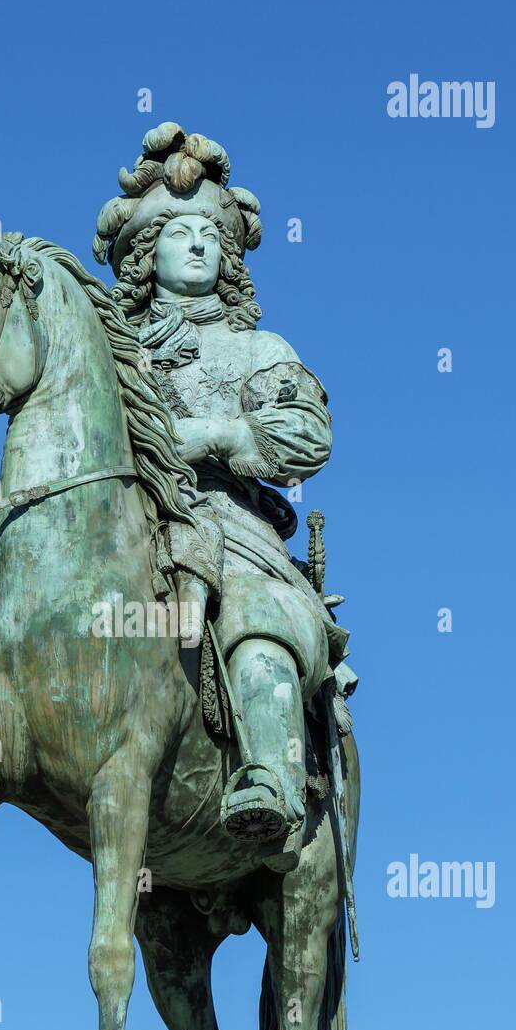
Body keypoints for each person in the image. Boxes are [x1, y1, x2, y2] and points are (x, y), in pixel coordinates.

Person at [93, 123, 352, 863]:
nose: (199, 245)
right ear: (147, 254)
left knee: (253, 611)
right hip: (124, 518)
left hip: (229, 526)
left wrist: (210, 434)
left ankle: (270, 774)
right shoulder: (104, 346)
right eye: (179, 233)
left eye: (210, 234)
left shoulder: (258, 350)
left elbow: (308, 437)